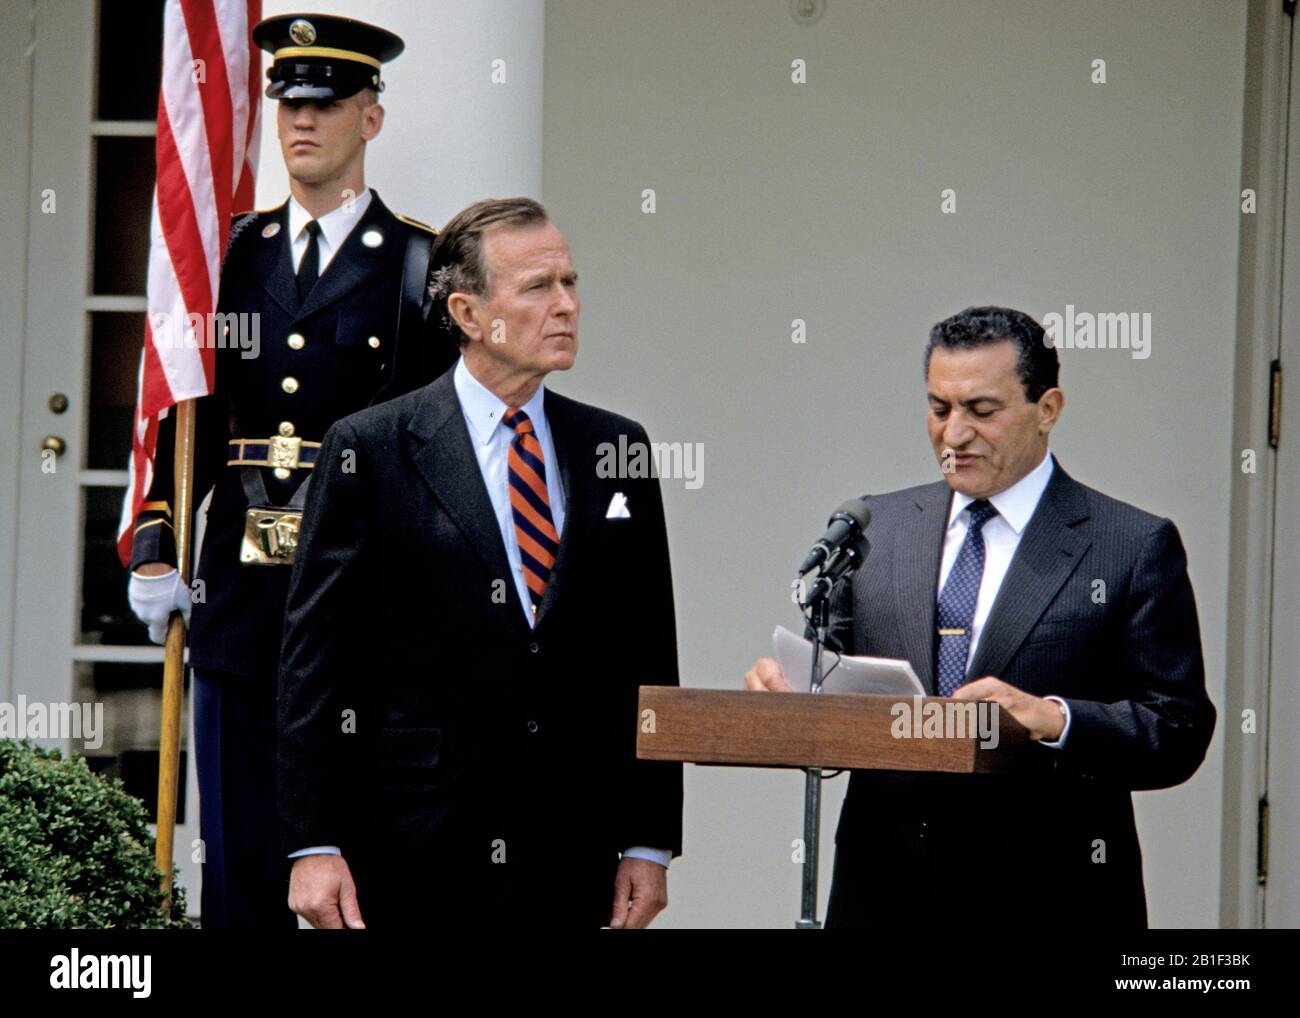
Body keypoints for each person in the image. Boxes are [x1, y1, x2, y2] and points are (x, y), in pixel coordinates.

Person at [125, 13, 455, 928]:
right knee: (236, 879)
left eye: (328, 101)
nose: (302, 120)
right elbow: (184, 418)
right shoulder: (228, 259)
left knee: (359, 885)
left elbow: (439, 450)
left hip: (362, 612)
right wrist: (156, 542)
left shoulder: (419, 267)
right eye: (288, 102)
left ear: (371, 118)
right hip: (238, 604)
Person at [277, 197, 684, 929]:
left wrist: (648, 841)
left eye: (570, 282)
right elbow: (317, 659)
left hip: (573, 849)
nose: (567, 305)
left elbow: (647, 652)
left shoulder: (616, 449)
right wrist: (314, 840)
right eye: (538, 288)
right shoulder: (371, 447)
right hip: (411, 846)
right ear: (467, 313)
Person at [745, 305, 1216, 929]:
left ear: (1047, 409)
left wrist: (1054, 719)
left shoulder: (1128, 545)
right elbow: (833, 689)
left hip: (1049, 897)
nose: (954, 434)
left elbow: (1178, 729)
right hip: (884, 895)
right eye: (939, 409)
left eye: (982, 411)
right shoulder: (874, 529)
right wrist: (792, 695)